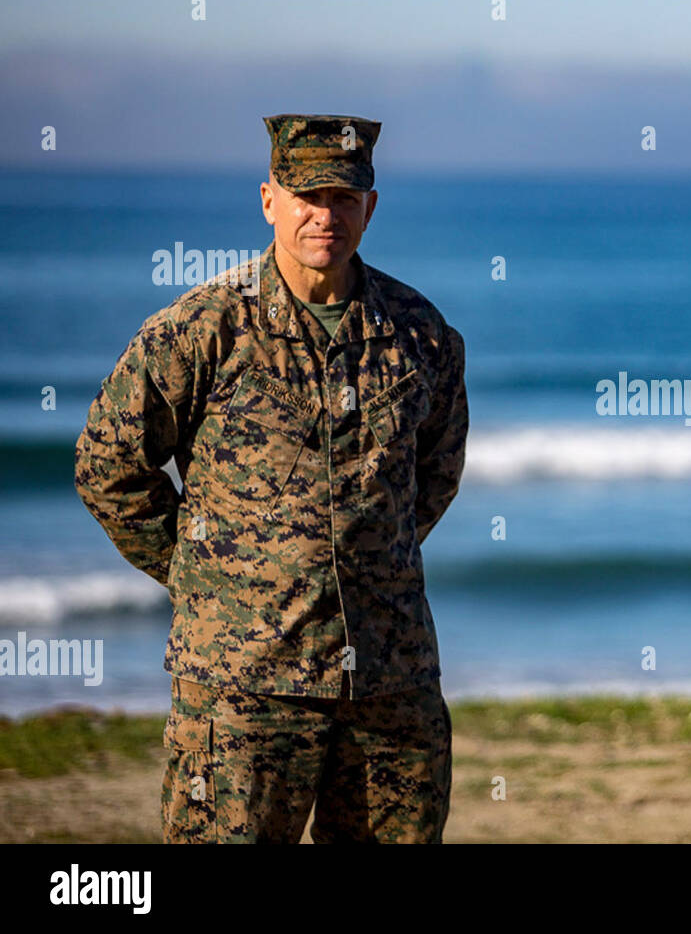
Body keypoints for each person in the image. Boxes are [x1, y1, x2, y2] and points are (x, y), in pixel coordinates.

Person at [74, 114, 468, 842]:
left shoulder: (421, 334)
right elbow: (108, 463)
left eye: (345, 198)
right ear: (268, 200)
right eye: (306, 196)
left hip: (389, 680)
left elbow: (433, 474)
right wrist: (203, 569)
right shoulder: (200, 330)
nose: (326, 216)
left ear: (370, 208)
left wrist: (358, 560)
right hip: (245, 686)